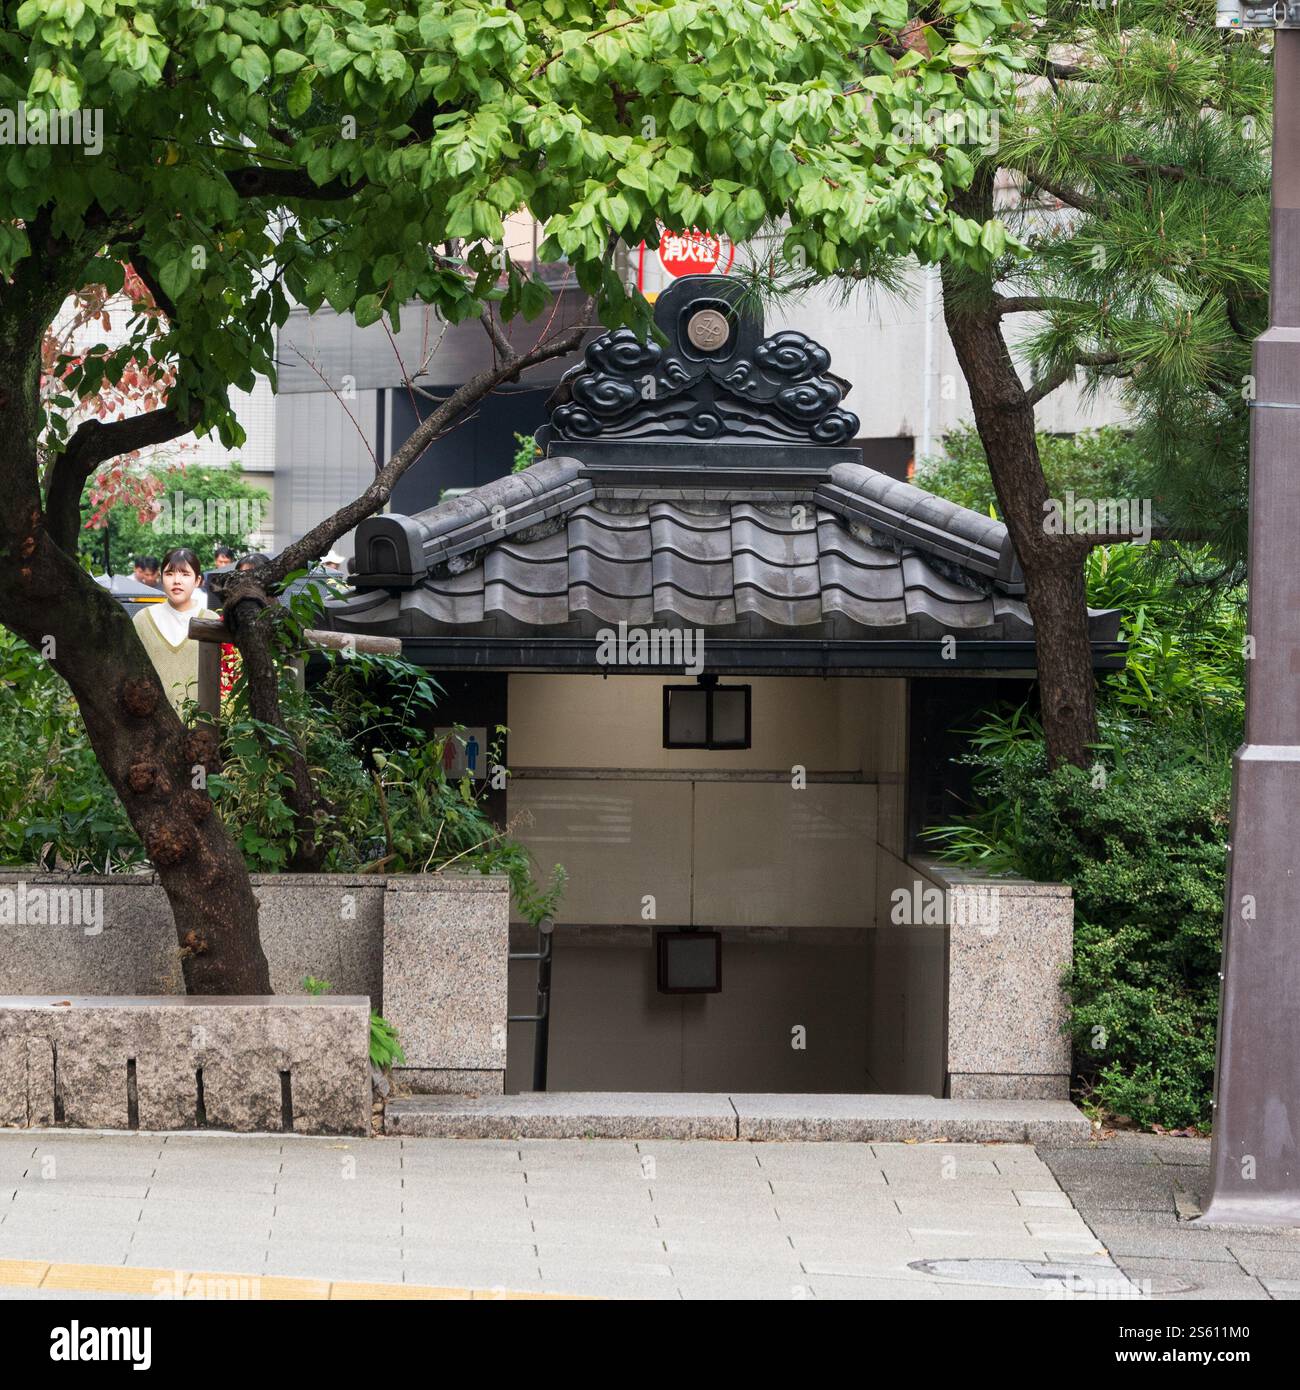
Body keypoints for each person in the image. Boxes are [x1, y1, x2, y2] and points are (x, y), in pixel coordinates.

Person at [131, 547, 214, 712]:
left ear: (197, 581)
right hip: (151, 723)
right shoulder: (142, 620)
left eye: (185, 574)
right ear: (161, 578)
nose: (177, 580)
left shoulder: (211, 621)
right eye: (169, 574)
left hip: (203, 724)